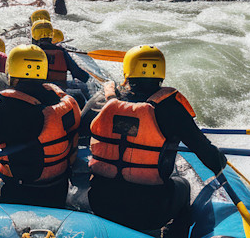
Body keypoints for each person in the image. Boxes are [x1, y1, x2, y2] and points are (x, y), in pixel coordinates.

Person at [85, 45, 227, 237]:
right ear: (161, 72)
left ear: (128, 72)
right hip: (149, 212)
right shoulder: (171, 107)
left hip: (101, 203)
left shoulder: (105, 102)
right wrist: (220, 161)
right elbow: (208, 155)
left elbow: (77, 130)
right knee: (184, 186)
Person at [0, 44, 82, 208]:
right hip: (58, 190)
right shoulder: (58, 96)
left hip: (23, 193)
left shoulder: (8, 105)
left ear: (11, 70)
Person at [30, 20, 89, 87]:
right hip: (58, 91)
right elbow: (83, 77)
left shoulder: (29, 52)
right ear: (52, 34)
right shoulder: (62, 52)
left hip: (35, 89)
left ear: (33, 35)